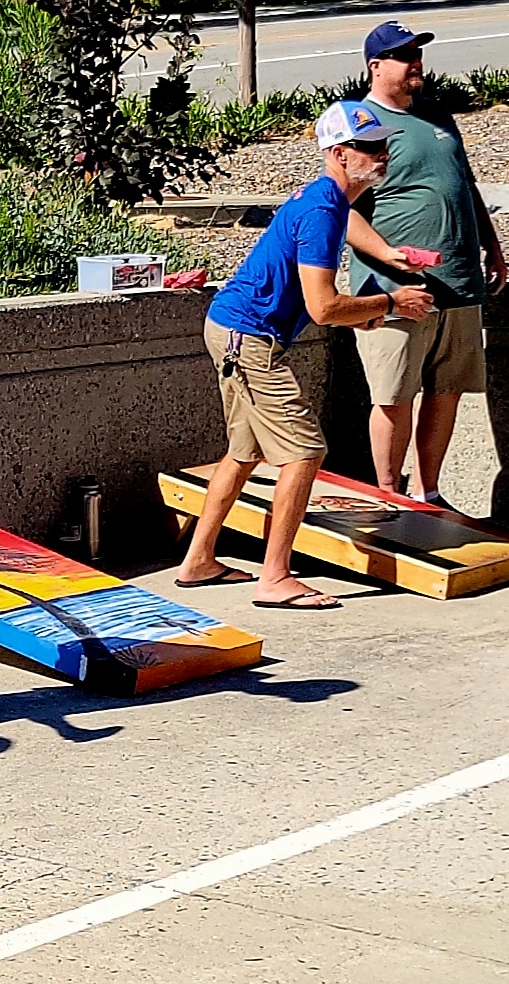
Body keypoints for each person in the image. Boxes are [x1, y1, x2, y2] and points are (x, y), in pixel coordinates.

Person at [174, 100, 433, 609]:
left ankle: (198, 560)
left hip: (235, 329)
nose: (381, 155)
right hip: (248, 336)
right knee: (304, 451)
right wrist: (390, 301)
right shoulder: (321, 210)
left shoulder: (331, 202)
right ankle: (275, 578)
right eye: (369, 148)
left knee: (244, 453)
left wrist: (374, 299)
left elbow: (336, 264)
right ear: (339, 153)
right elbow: (323, 306)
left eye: (384, 146)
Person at [345, 20, 508, 506]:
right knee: (395, 394)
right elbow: (341, 210)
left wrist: (492, 245)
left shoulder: (438, 115)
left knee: (447, 388)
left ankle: (428, 491)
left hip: (457, 280)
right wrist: (386, 254)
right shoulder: (360, 123)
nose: (415, 62)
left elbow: (466, 185)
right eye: (402, 55)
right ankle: (389, 495)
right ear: (375, 66)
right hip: (395, 288)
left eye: (417, 53)